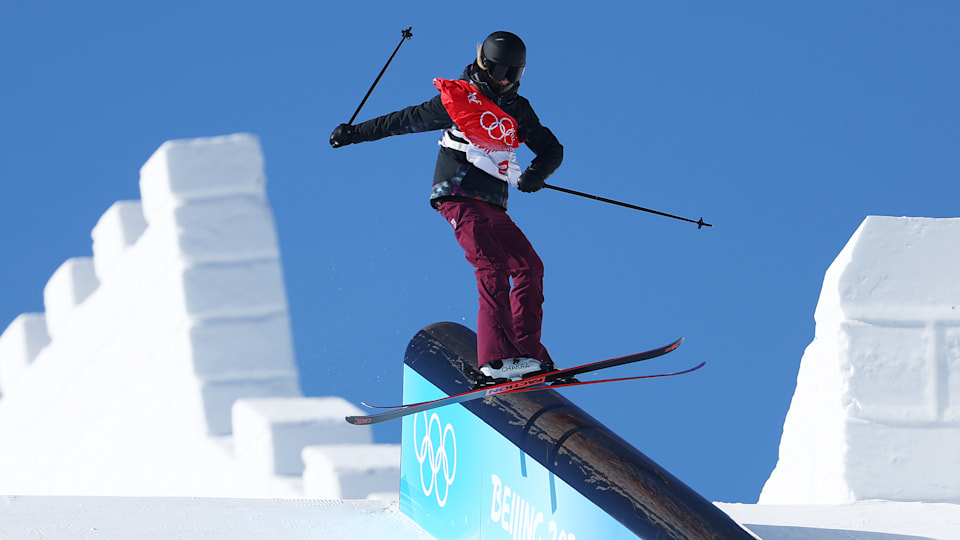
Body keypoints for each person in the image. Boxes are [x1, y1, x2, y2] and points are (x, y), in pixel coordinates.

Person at [330, 31, 563, 383]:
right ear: (483, 64)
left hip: (493, 205)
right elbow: (402, 120)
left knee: (530, 267)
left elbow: (551, 149)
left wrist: (535, 173)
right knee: (492, 266)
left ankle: (526, 355)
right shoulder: (459, 100)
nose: (503, 80)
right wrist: (354, 133)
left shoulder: (517, 109)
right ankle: (496, 361)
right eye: (498, 71)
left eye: (512, 74)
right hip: (457, 195)